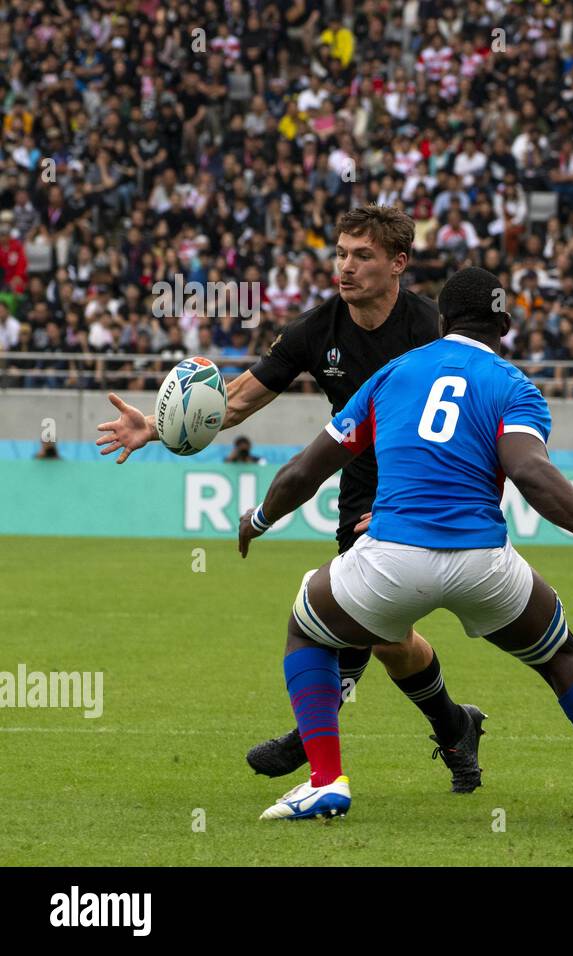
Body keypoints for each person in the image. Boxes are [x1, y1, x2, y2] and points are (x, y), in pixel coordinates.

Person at [239, 266, 573, 826]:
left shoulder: (391, 374)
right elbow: (531, 473)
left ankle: (326, 780)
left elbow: (306, 470)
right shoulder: (514, 386)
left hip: (391, 559)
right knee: (564, 658)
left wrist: (259, 518)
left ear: (441, 319)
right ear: (504, 323)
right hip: (484, 565)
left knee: (308, 628)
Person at [94, 206, 486, 792]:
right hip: (359, 492)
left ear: (399, 262)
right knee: (387, 639)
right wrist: (156, 426)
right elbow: (237, 401)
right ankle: (456, 728)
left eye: (362, 256)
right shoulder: (315, 330)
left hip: (427, 489)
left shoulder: (432, 328)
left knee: (350, 619)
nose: (345, 268)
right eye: (340, 253)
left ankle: (312, 742)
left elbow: (484, 409)